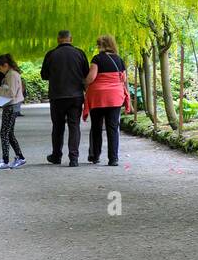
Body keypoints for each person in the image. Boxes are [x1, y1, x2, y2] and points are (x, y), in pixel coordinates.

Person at [40, 30, 89, 166]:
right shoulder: (80, 53)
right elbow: (86, 74)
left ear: (58, 40)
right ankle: (74, 158)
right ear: (71, 39)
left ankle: (56, 156)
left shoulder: (51, 54)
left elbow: (44, 75)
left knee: (58, 126)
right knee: (74, 126)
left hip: (57, 96)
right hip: (76, 95)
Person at [84, 36, 130, 166]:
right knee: (113, 127)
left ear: (101, 46)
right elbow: (124, 79)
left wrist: (84, 83)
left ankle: (95, 155)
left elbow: (91, 77)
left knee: (96, 127)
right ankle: (113, 158)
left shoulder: (97, 59)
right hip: (115, 97)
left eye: (98, 45)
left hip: (98, 97)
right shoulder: (119, 60)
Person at [0, 55, 26, 169]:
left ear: (5, 65)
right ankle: (20, 157)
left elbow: (11, 93)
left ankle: (5, 160)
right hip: (13, 106)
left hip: (10, 106)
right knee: (9, 133)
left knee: (4, 133)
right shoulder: (14, 74)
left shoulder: (11, 75)